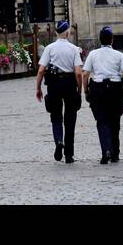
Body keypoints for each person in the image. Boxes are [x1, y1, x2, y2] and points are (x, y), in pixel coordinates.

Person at [82, 27, 123, 164]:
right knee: (115, 122)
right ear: (112, 40)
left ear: (100, 40)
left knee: (102, 122)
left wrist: (86, 91)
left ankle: (106, 150)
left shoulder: (93, 54)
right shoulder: (119, 55)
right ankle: (115, 153)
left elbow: (85, 74)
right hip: (115, 90)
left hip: (98, 90)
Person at [35, 21, 83, 164]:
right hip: (69, 83)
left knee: (56, 117)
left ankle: (58, 141)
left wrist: (38, 88)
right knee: (70, 119)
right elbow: (79, 73)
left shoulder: (49, 48)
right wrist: (79, 90)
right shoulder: (74, 49)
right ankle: (69, 154)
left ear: (56, 33)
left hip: (54, 84)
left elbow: (41, 70)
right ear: (68, 33)